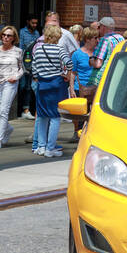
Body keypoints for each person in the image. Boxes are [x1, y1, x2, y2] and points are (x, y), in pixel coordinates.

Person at [30, 21, 73, 157]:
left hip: (42, 85)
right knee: (55, 117)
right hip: (56, 85)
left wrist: (38, 77)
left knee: (42, 116)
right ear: (57, 36)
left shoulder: (38, 49)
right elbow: (69, 63)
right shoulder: (59, 49)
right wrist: (66, 75)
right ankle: (50, 148)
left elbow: (34, 68)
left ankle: (41, 146)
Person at [0, 25, 25, 150]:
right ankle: (7, 128)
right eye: (4, 35)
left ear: (14, 38)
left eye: (9, 35)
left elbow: (22, 69)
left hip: (10, 82)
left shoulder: (18, 51)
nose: (5, 37)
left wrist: (16, 77)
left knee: (4, 111)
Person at [70, 28, 96, 137]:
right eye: (95, 38)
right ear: (88, 39)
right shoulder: (77, 54)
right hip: (80, 87)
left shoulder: (98, 52)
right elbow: (73, 72)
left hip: (95, 87)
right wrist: (71, 89)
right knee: (80, 114)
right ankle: (78, 133)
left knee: (93, 113)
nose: (97, 40)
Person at [18, 15, 41, 119]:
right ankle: (17, 109)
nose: (35, 25)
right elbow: (20, 48)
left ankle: (26, 110)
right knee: (22, 86)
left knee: (28, 87)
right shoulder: (22, 32)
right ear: (28, 22)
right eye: (33, 23)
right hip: (23, 63)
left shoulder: (37, 33)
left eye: (36, 23)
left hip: (33, 63)